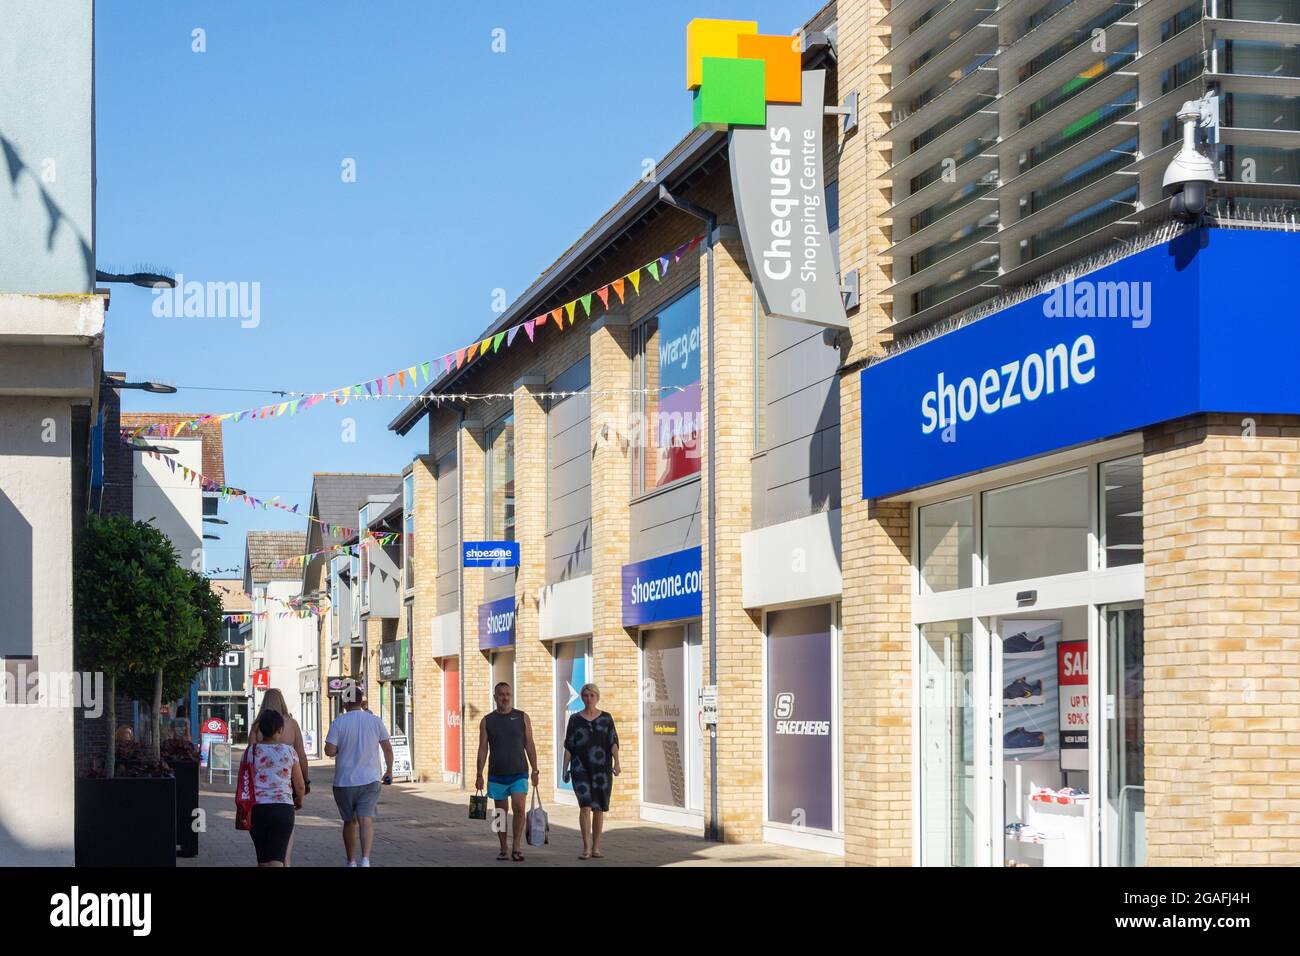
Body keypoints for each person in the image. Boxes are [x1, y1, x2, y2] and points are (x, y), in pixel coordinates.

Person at [324, 680, 393, 867]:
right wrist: (389, 770)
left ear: (345, 703)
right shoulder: (375, 721)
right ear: (361, 701)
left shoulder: (338, 722)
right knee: (366, 819)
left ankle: (351, 861)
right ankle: (366, 859)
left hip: (344, 782)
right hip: (370, 780)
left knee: (349, 822)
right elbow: (387, 747)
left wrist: (337, 749)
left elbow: (329, 750)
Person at [475, 682, 539, 862]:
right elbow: (482, 749)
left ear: (512, 696)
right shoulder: (487, 721)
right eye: (501, 694)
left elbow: (530, 745)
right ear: (495, 697)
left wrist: (535, 770)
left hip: (519, 772)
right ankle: (503, 847)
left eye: (508, 694)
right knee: (500, 813)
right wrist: (479, 774)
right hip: (496, 774)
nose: (505, 697)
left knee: (519, 807)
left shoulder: (522, 717)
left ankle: (516, 846)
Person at [249, 688, 311, 866]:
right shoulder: (291, 724)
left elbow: (250, 761)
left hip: (258, 798)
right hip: (286, 789)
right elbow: (302, 755)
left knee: (263, 856)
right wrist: (305, 782)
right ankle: (286, 861)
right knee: (282, 840)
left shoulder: (256, 725)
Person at [562, 683, 620, 860]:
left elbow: (613, 743)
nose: (588, 699)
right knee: (585, 806)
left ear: (597, 697)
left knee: (599, 808)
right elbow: (569, 745)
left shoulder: (607, 719)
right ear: (582, 698)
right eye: (585, 696)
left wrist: (617, 763)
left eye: (592, 695)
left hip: (601, 770)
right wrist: (565, 769)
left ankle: (596, 847)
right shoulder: (575, 720)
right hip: (580, 768)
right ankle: (586, 847)